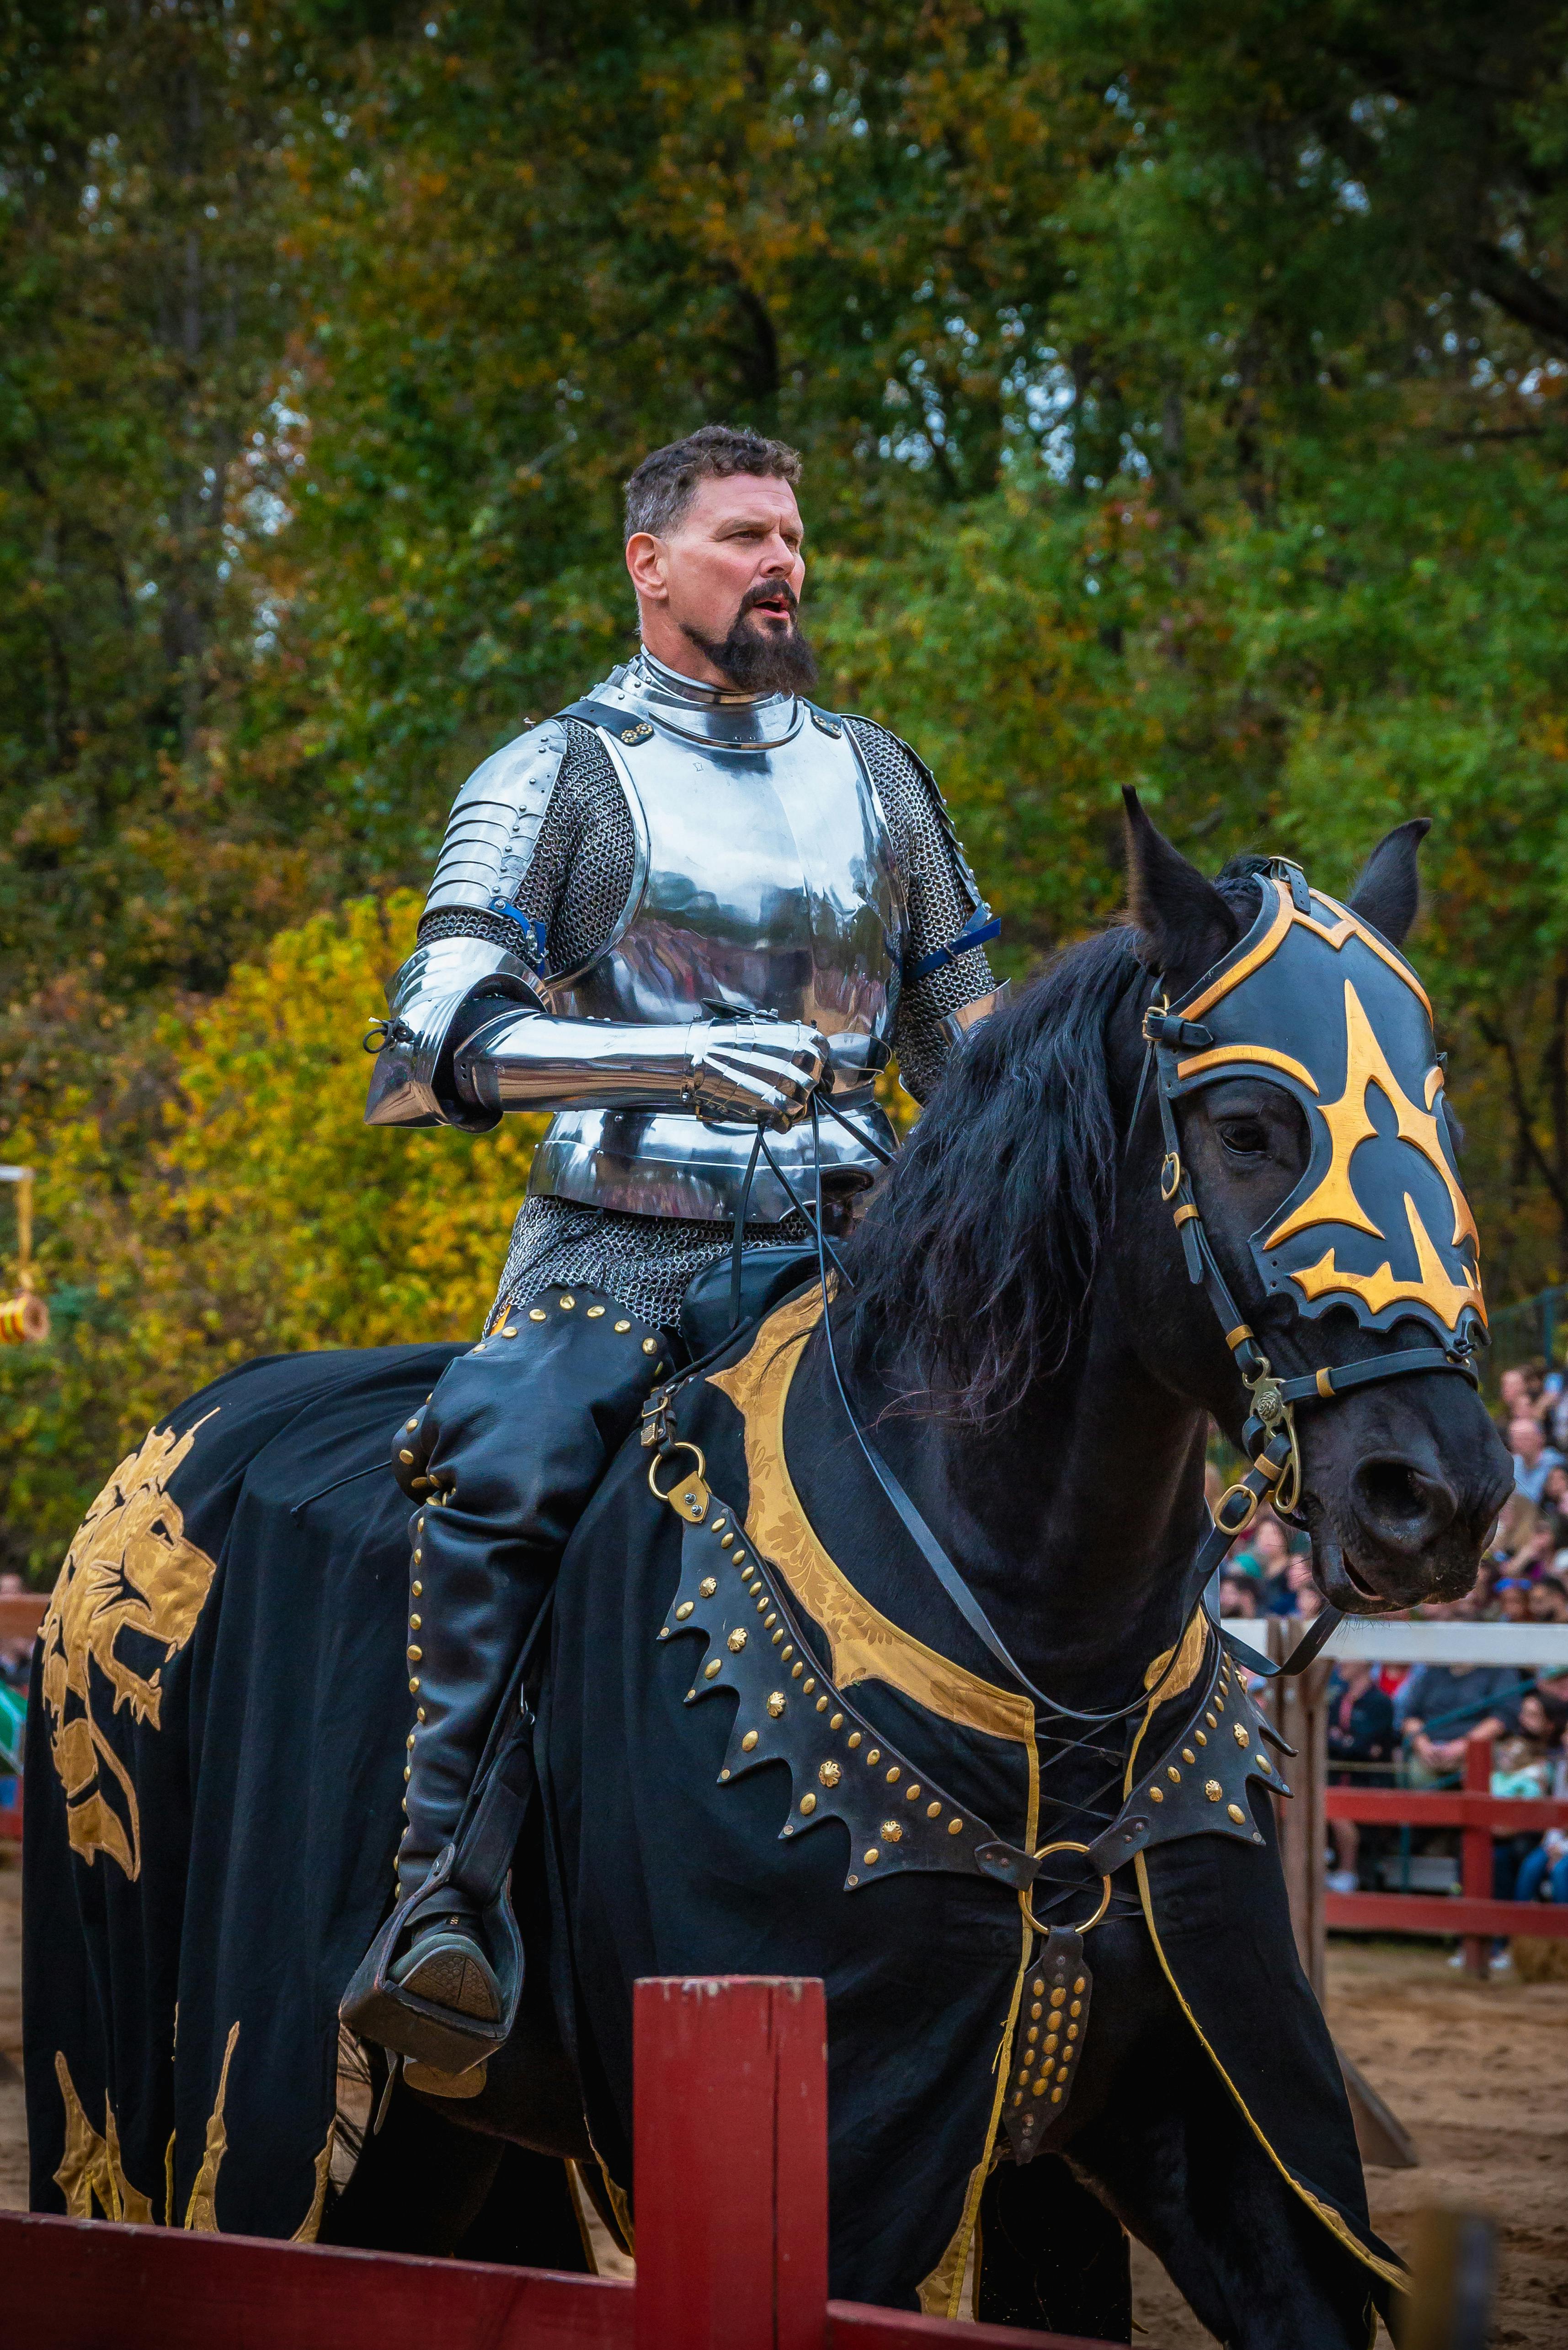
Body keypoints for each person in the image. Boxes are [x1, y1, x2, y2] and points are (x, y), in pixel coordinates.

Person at [355, 424, 1008, 2038]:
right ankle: (443, 1894)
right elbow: (427, 1047)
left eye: (791, 537)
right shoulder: (559, 771)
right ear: (650, 563)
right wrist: (670, 1060)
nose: (781, 564)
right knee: (511, 1472)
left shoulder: (879, 777)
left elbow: (973, 1057)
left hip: (858, 1254)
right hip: (619, 1250)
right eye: (742, 536)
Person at [1396, 1655, 1523, 1787]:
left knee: (1480, 1776)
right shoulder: (1433, 1671)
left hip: (1478, 1751)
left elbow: (1502, 1718)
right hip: (1430, 1751)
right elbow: (1410, 1716)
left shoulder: (1499, 1670)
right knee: (1417, 1776)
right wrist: (1423, 1745)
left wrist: (1464, 1746)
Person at [1325, 1659, 1395, 1893]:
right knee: (1327, 1803)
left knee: (1335, 1809)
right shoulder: (1338, 1699)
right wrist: (1348, 1743)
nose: (1341, 1662)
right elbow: (1327, 1739)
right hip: (1338, 1778)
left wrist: (1341, 1741)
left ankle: (1348, 1871)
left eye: (1349, 1656)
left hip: (1369, 1781)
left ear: (1365, 1662)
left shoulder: (1380, 1702)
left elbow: (1368, 1748)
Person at [1508, 1413, 1563, 1508]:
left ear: (1540, 1438)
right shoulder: (1513, 1464)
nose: (1519, 1444)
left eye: (1524, 1438)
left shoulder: (1555, 1463)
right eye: (1515, 1439)